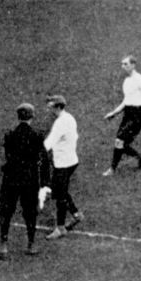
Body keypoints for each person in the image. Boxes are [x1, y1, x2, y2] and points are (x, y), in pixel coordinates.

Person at [0, 103, 52, 260]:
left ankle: (3, 245)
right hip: (29, 179)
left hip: (11, 177)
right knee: (30, 211)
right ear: (32, 116)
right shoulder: (37, 136)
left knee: (6, 211)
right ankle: (31, 244)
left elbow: (8, 156)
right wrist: (45, 182)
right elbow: (44, 161)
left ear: (18, 116)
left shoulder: (10, 134)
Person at [104, 56, 141, 175]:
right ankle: (140, 158)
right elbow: (126, 100)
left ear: (133, 65)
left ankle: (112, 169)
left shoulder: (140, 80)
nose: (123, 67)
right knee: (121, 143)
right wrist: (114, 113)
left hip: (137, 116)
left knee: (119, 141)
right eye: (122, 64)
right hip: (127, 114)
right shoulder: (127, 81)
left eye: (125, 64)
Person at [42, 95, 82, 240]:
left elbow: (49, 143)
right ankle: (76, 214)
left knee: (59, 195)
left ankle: (60, 228)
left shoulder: (60, 123)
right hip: (71, 161)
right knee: (60, 190)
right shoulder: (69, 118)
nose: (49, 109)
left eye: (51, 107)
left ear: (58, 107)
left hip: (63, 164)